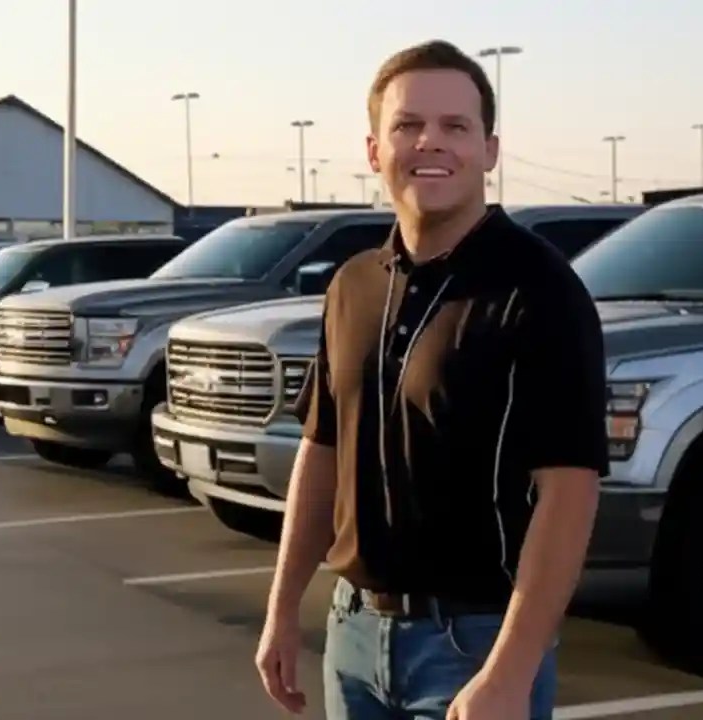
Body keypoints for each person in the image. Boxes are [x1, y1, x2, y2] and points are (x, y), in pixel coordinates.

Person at [255, 39, 608, 720]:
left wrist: (509, 672)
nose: (430, 143)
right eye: (408, 125)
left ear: (490, 149)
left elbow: (570, 492)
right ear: (373, 150)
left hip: (473, 646)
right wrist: (281, 610)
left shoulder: (539, 291)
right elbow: (321, 452)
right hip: (352, 637)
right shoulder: (351, 286)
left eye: (455, 127)